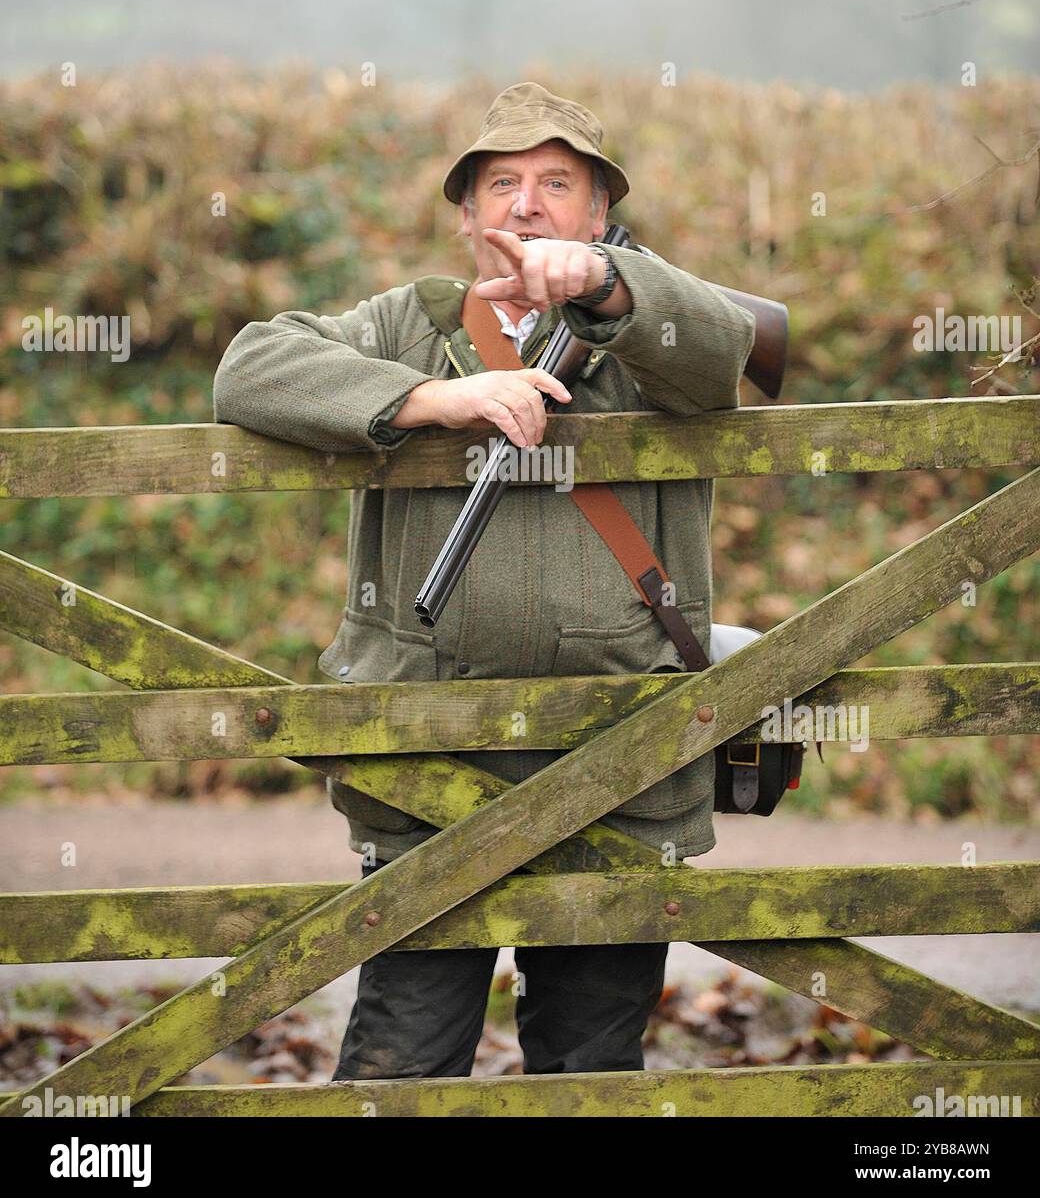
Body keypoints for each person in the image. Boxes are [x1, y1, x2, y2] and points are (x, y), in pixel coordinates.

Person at [212, 81, 755, 1079]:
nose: (526, 203)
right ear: (465, 215)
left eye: (558, 182)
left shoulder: (652, 330)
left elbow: (722, 356)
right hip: (425, 770)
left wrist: (602, 288)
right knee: (401, 1063)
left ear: (598, 213)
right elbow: (250, 366)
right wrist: (431, 397)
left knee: (586, 1074)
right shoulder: (404, 324)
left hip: (618, 771)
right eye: (500, 182)